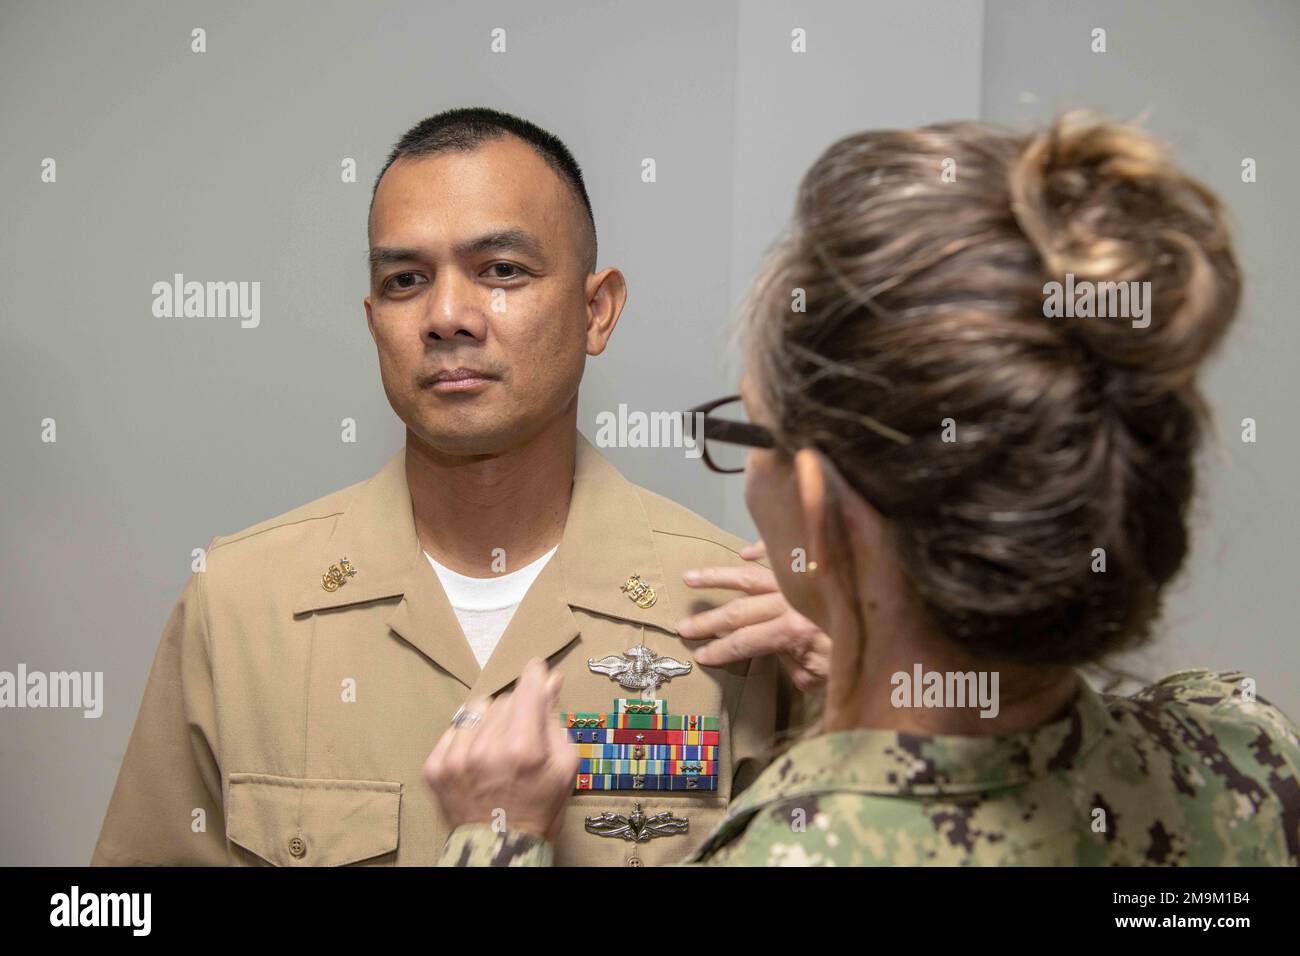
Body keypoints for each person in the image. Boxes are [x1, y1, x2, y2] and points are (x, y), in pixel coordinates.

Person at [425, 112, 1300, 866]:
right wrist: (882, 632)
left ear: (818, 505)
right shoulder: (1249, 759)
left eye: (750, 431)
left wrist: (494, 833)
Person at [90, 107, 819, 867]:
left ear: (595, 310)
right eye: (406, 281)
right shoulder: (244, 605)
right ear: (374, 320)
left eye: (502, 271)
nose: (446, 316)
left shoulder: (732, 621)